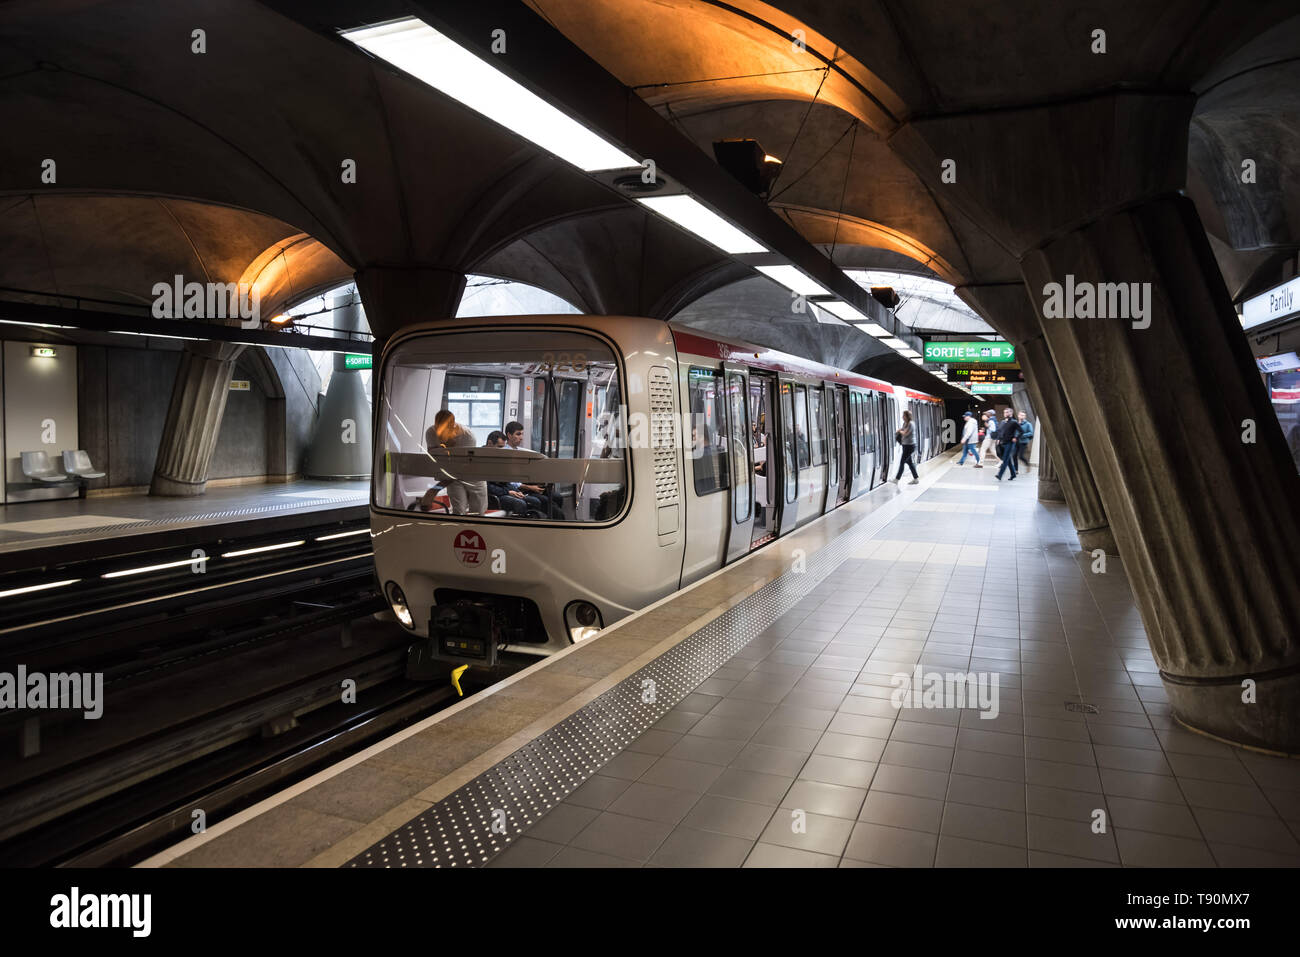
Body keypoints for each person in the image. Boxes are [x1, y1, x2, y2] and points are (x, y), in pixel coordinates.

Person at [420, 410, 487, 514]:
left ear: (453, 427)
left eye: (444, 432)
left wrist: (433, 491)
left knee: (478, 512)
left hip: (472, 474)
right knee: (459, 511)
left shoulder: (467, 436)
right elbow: (436, 461)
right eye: (438, 431)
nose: (440, 436)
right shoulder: (431, 432)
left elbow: (461, 468)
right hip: (450, 475)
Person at [504, 420, 563, 516]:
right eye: (518, 434)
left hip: (527, 484)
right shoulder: (505, 454)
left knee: (557, 497)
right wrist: (531, 487)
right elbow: (511, 481)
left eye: (522, 434)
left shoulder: (522, 451)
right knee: (545, 502)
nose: (521, 438)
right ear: (509, 435)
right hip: (520, 488)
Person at [994, 408, 1022, 481]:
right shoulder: (1002, 422)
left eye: (1007, 412)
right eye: (1005, 412)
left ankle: (1000, 475)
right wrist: (998, 439)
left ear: (1011, 414)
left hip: (1010, 443)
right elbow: (1000, 432)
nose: (1005, 414)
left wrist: (1016, 437)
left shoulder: (1014, 422)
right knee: (1007, 459)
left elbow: (1021, 431)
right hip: (1002, 443)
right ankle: (1013, 474)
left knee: (1005, 459)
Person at [894, 409, 919, 484]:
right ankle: (916, 479)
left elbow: (905, 433)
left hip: (910, 446)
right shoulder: (905, 423)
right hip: (905, 446)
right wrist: (899, 430)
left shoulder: (911, 424)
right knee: (910, 463)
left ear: (907, 416)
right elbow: (902, 429)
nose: (902, 417)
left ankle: (897, 479)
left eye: (903, 415)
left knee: (902, 462)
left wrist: (900, 431)